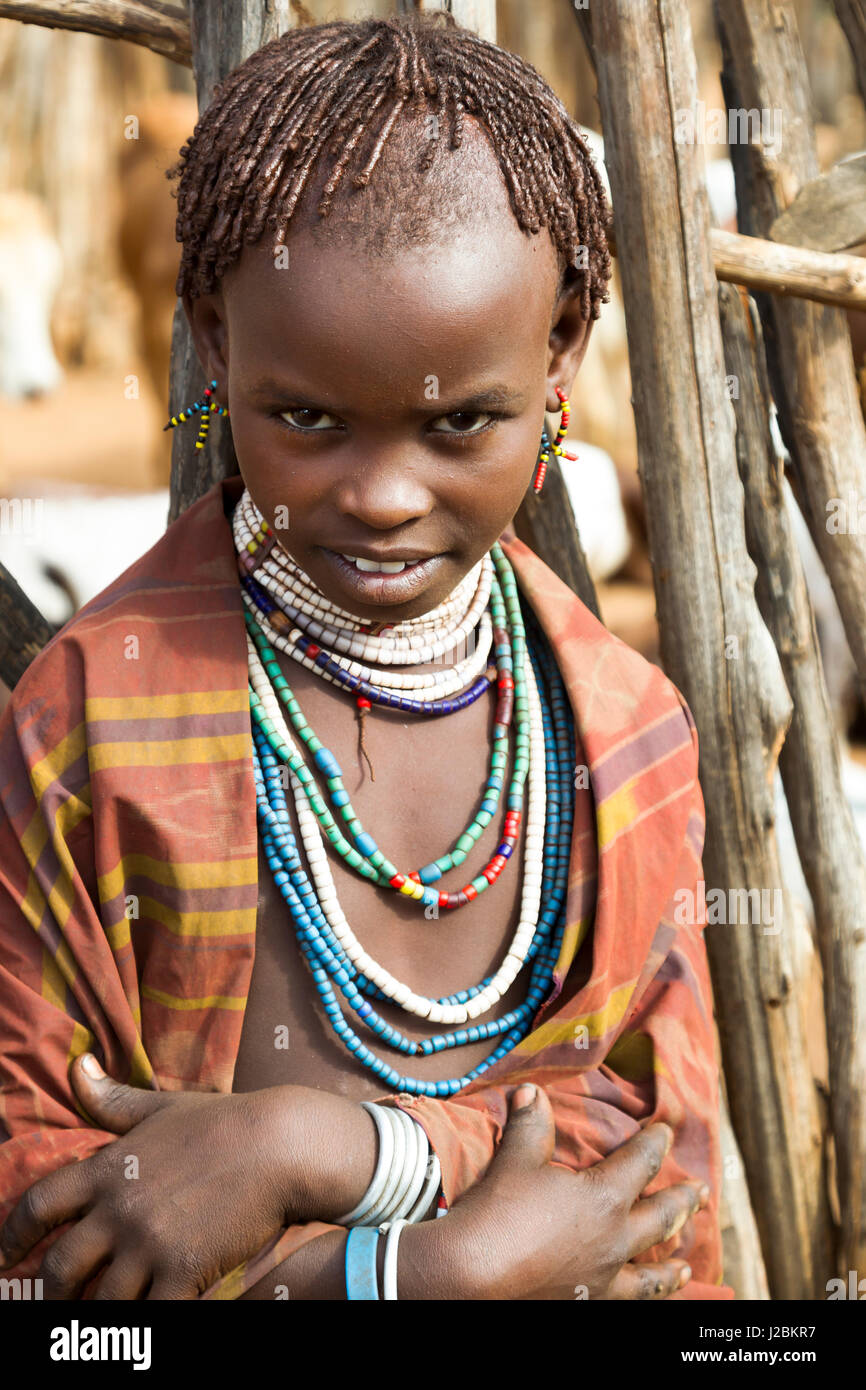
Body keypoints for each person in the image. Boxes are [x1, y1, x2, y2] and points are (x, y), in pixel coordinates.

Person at [0, 12, 731, 1300]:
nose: (386, 496)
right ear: (217, 347)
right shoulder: (93, 729)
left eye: (459, 422)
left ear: (560, 349)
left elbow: (657, 1187)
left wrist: (321, 1150)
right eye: (311, 418)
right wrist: (420, 1277)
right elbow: (47, 1240)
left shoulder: (624, 738)